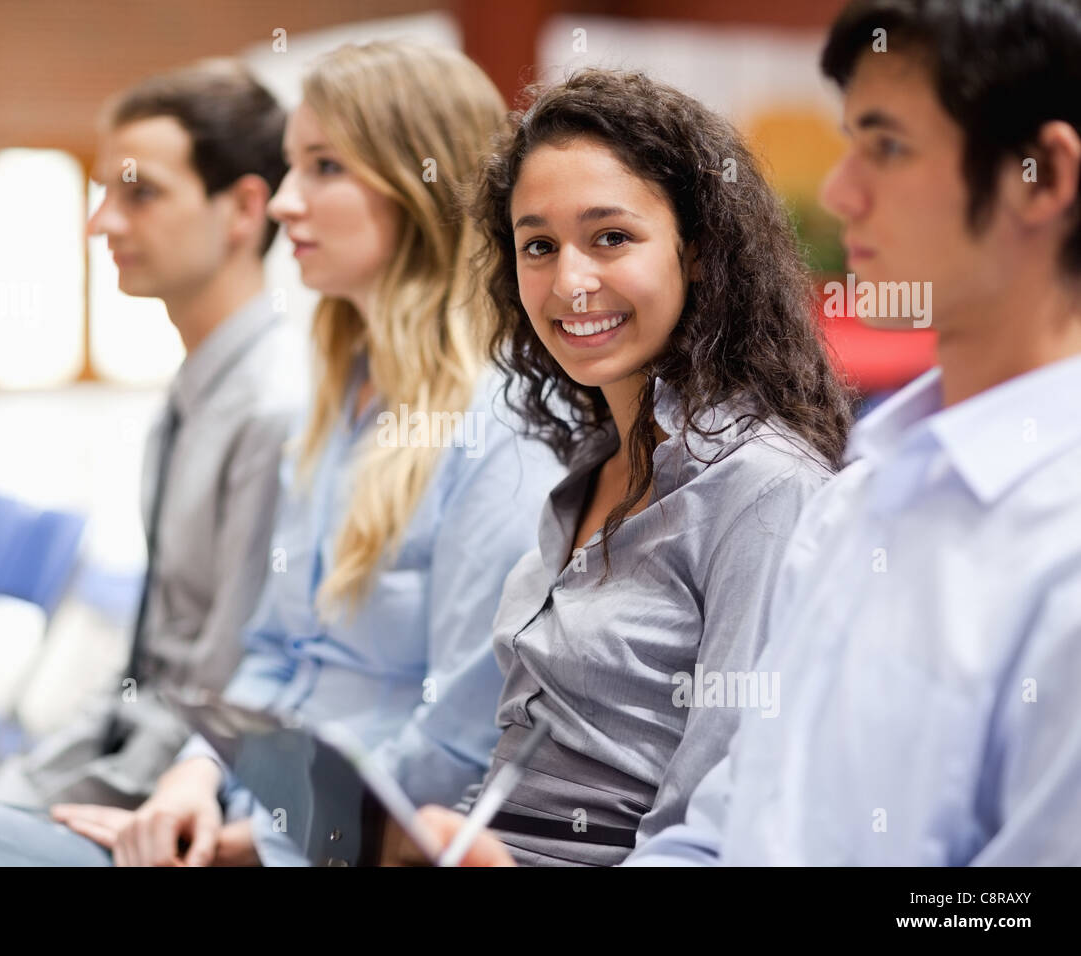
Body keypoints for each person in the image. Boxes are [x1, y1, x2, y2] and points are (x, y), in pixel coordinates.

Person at [424, 0, 1081, 867]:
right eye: (536, 245)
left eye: (886, 145)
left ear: (1041, 175)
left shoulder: (796, 488)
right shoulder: (864, 497)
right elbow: (728, 823)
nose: (842, 191)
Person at [51, 40, 567, 867]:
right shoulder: (338, 400)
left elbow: (458, 739)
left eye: (325, 168)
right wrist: (192, 776)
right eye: (292, 167)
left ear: (418, 182)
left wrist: (250, 841)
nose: (287, 204)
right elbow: (269, 654)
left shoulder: (502, 424)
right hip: (253, 821)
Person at [0, 59, 307, 867]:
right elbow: (147, 668)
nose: (101, 222)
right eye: (102, 191)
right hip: (108, 762)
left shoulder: (273, 409)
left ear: (245, 207)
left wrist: (28, 804)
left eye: (139, 193)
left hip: (168, 805)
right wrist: (20, 782)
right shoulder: (195, 394)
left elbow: (221, 694)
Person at [384, 68, 849, 867]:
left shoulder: (765, 487)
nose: (570, 283)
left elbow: (723, 826)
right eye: (539, 246)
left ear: (698, 253)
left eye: (611, 237)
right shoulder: (587, 467)